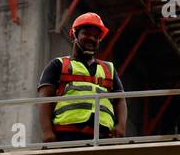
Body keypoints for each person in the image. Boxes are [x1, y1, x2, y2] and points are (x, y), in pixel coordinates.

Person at [38, 11, 127, 142]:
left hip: (103, 136)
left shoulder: (109, 69)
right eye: (86, 34)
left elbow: (120, 100)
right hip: (67, 135)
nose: (91, 38)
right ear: (74, 35)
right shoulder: (58, 65)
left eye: (96, 36)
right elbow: (44, 99)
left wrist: (121, 126)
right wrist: (47, 132)